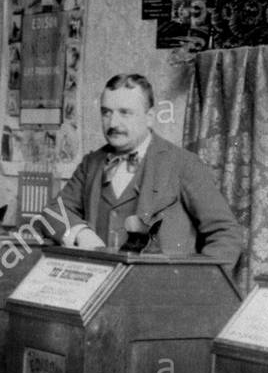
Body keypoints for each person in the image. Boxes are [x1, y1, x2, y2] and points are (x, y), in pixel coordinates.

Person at [44, 73, 244, 269]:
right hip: (99, 290)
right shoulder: (91, 164)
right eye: (106, 112)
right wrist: (80, 233)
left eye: (125, 112)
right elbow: (53, 212)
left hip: (160, 294)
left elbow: (226, 234)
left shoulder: (184, 164)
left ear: (149, 117)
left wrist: (194, 285)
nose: (113, 123)